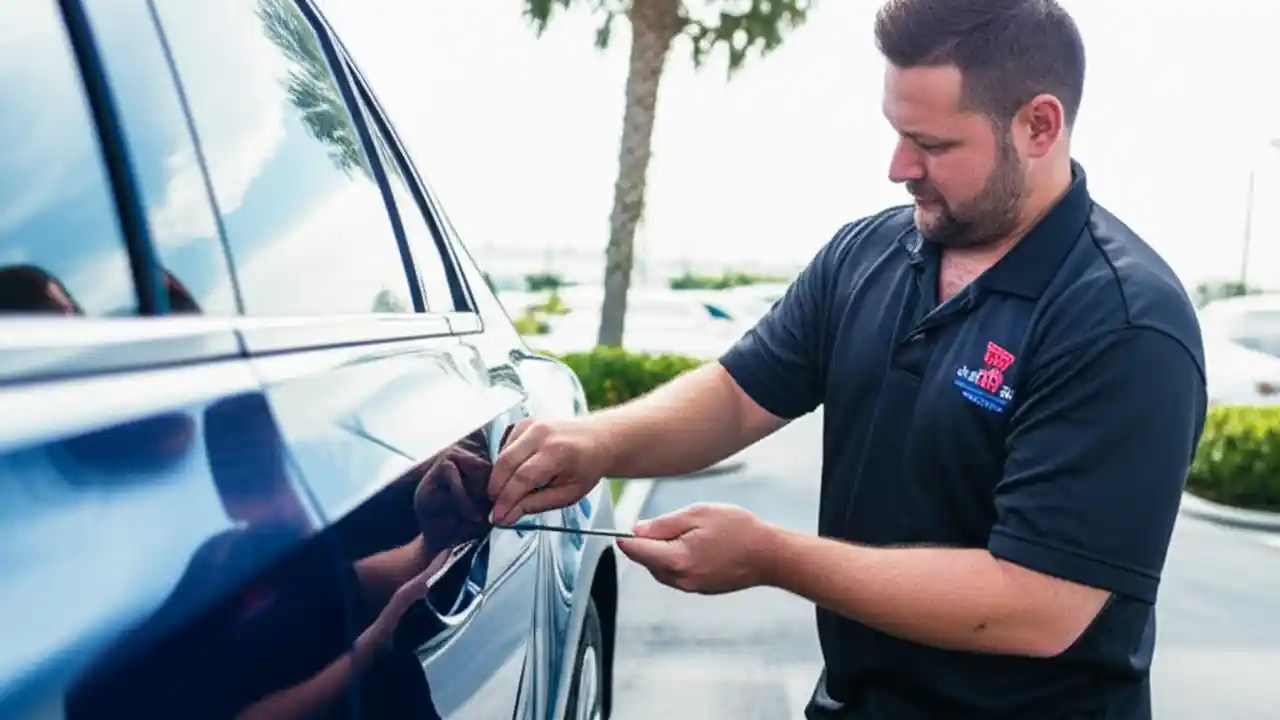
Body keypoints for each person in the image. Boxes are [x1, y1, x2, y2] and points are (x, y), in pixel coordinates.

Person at [486, 0, 1206, 718]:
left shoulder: (1123, 322)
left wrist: (771, 556)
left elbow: (1037, 606)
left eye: (932, 143)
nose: (899, 167)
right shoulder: (867, 255)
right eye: (896, 132)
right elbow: (740, 393)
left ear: (1038, 126)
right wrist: (598, 444)